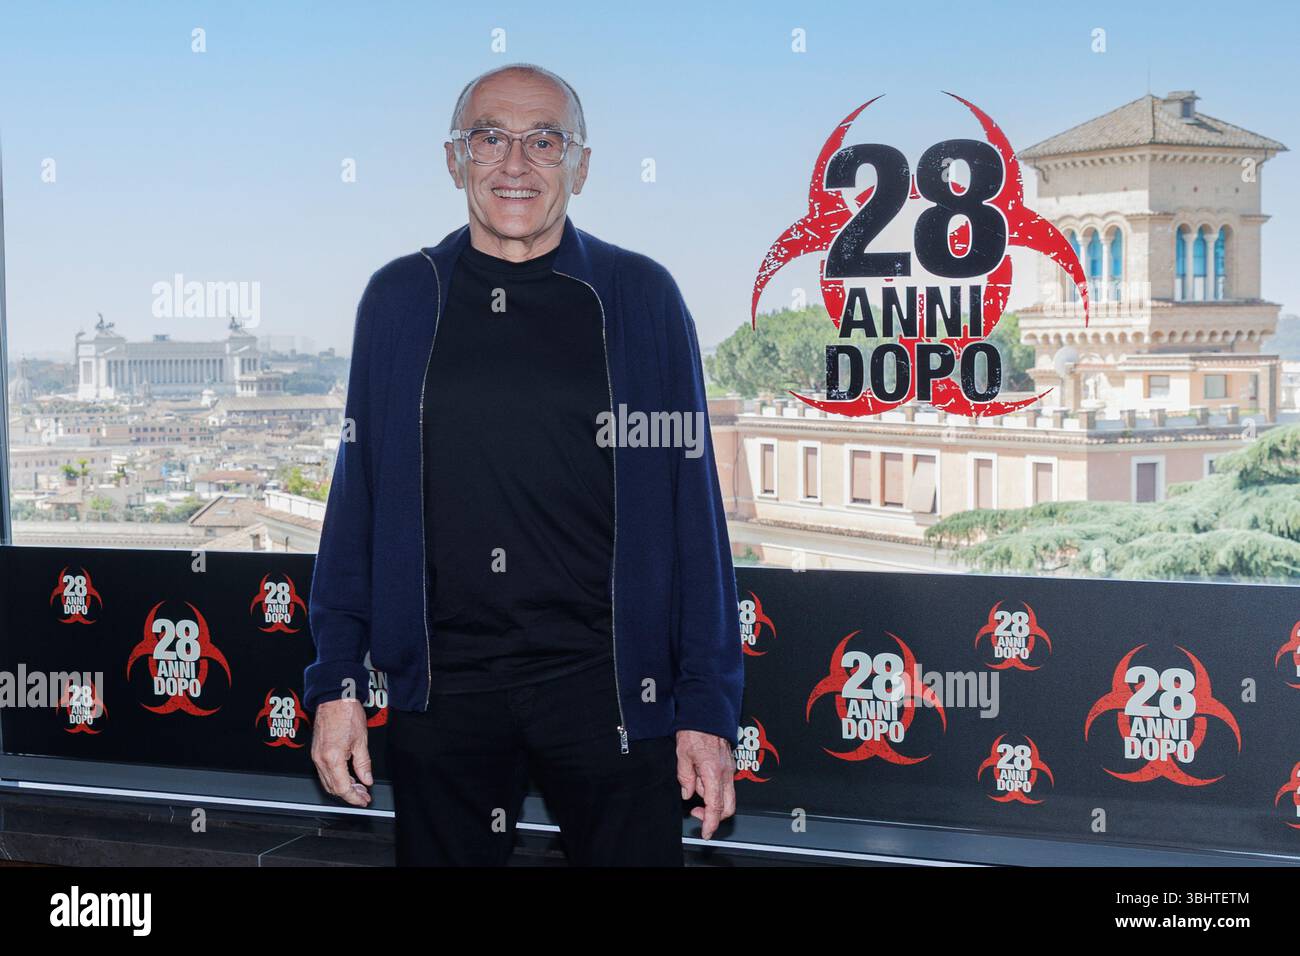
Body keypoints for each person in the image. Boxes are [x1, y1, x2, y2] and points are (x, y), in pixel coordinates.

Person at [303, 62, 742, 866]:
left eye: (544, 140)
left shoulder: (640, 297)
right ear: (453, 159)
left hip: (610, 690)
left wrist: (706, 708)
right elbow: (357, 502)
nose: (515, 164)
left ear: (580, 164)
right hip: (444, 691)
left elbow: (694, 521)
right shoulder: (401, 300)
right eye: (489, 139)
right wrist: (335, 683)